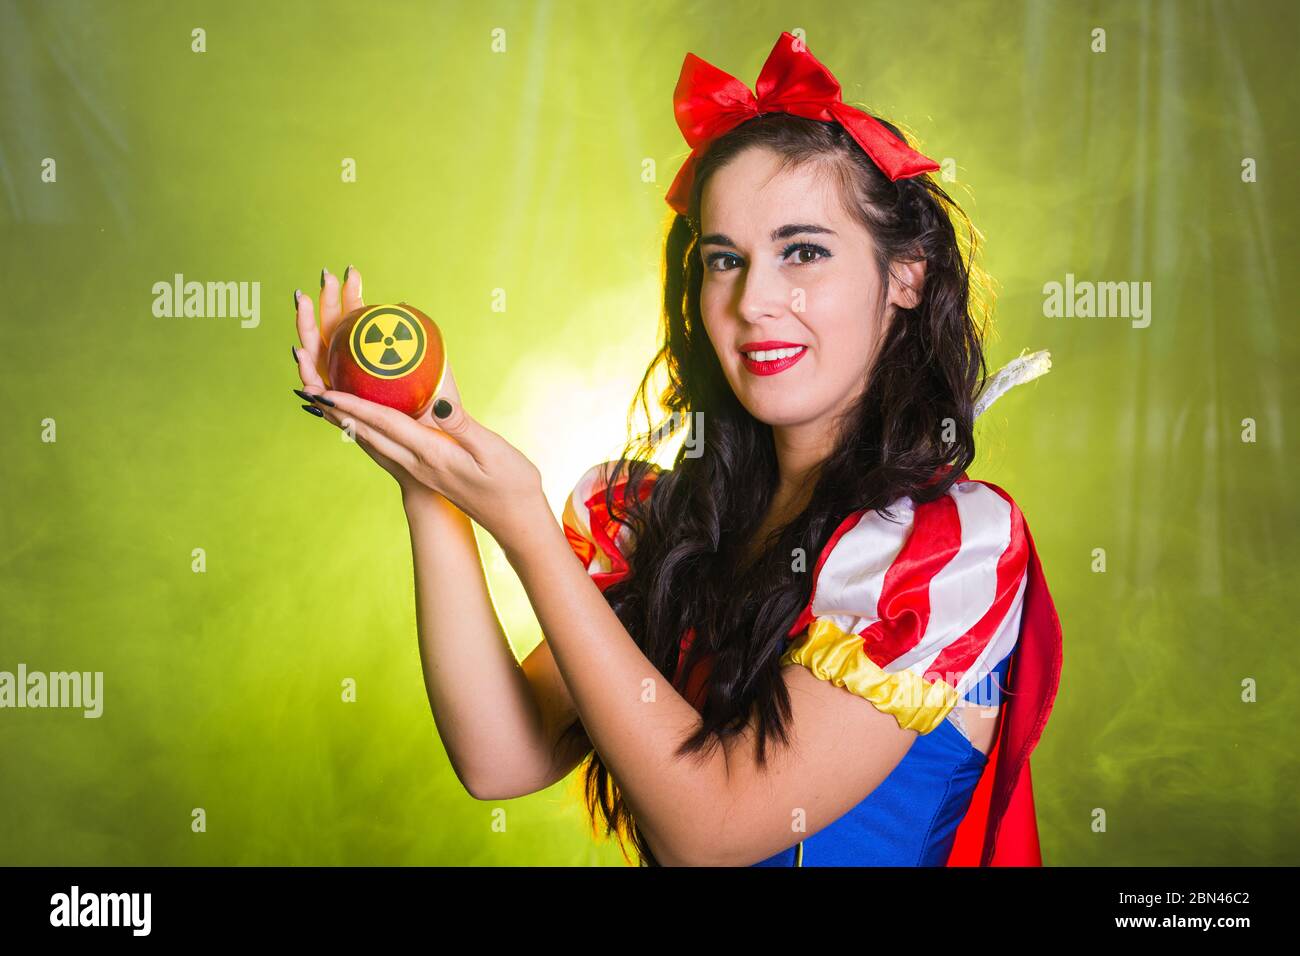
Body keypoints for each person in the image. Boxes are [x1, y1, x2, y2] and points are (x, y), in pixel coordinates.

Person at [290, 32, 1062, 867]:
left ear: (905, 274)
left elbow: (715, 831)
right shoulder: (666, 523)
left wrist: (526, 532)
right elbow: (500, 757)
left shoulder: (943, 549)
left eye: (803, 251)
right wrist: (425, 473)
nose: (754, 301)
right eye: (725, 260)